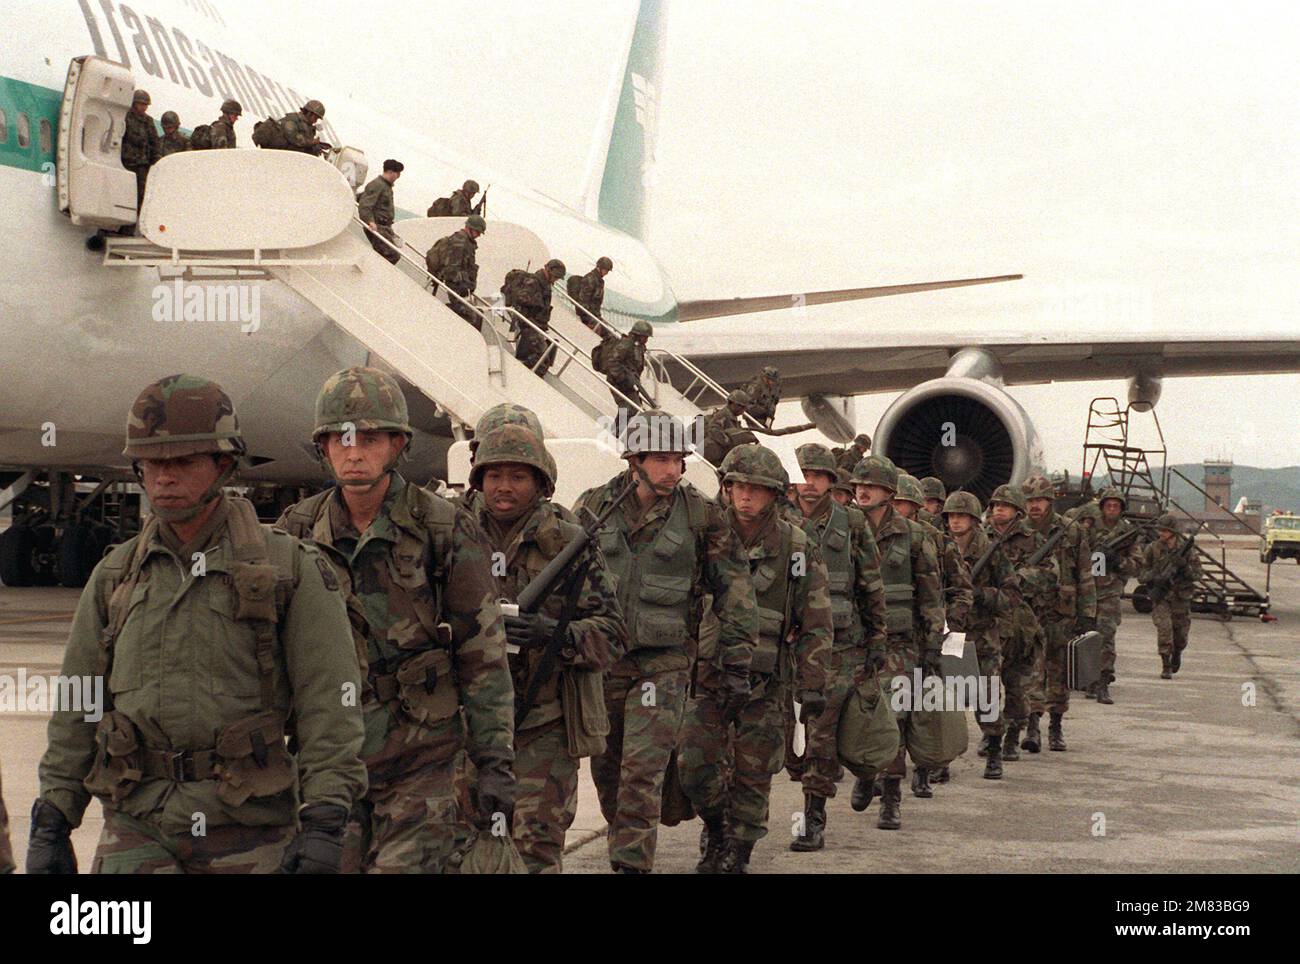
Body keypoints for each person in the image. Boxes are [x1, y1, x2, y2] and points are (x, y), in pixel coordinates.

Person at [29, 375, 365, 874]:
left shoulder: (289, 569)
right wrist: (53, 816)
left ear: (223, 465)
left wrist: (324, 819)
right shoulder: (116, 574)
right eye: (152, 464)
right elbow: (80, 700)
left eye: (182, 462)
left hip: (246, 825)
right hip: (137, 820)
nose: (164, 477)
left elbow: (328, 701)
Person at [276, 367, 516, 873]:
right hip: (328, 764)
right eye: (340, 440)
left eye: (370, 438)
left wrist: (494, 762)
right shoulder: (295, 532)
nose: (354, 451)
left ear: (398, 445)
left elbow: (482, 655)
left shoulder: (444, 529)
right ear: (323, 448)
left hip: (421, 758)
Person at [574, 409, 758, 873]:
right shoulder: (594, 508)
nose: (673, 469)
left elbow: (735, 593)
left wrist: (735, 664)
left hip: (665, 665)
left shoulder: (702, 516)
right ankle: (626, 848)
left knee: (642, 773)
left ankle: (631, 866)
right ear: (633, 459)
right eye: (660, 459)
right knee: (608, 772)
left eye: (678, 459)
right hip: (605, 661)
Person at [469, 424, 625, 872]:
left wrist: (553, 634)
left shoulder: (569, 541)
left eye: (517, 476)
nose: (503, 487)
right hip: (468, 723)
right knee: (463, 848)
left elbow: (613, 634)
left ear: (540, 484)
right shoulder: (453, 534)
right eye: (494, 475)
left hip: (543, 724)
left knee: (535, 849)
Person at [679, 444, 831, 873]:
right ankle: (716, 826)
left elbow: (816, 618)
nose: (745, 496)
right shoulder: (702, 536)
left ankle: (738, 852)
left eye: (756, 489)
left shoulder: (796, 547)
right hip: (707, 676)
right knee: (694, 766)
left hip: (765, 682)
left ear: (774, 493)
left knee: (753, 774)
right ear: (725, 488)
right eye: (737, 486)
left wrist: (813, 681)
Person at [790, 444, 887, 850]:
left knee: (821, 734)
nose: (810, 483)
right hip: (787, 644)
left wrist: (878, 638)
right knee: (786, 741)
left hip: (840, 646)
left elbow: (871, 582)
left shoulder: (851, 523)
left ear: (832, 481)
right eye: (803, 474)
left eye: (818, 475)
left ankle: (813, 819)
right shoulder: (779, 519)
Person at [848, 456, 944, 829]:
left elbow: (931, 595)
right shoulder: (846, 530)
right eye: (858, 485)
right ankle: (865, 772)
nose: (862, 490)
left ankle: (891, 796)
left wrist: (934, 643)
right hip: (853, 641)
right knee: (855, 714)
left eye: (870, 485)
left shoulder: (915, 536)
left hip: (900, 643)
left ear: (889, 492)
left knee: (895, 716)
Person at [890, 474, 971, 796]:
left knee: (927, 709)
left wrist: (949, 627)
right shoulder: (871, 538)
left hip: (931, 635)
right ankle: (888, 778)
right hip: (892, 640)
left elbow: (962, 589)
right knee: (894, 709)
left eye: (903, 504)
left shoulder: (937, 541)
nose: (897, 509)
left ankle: (925, 769)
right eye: (893, 502)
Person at [943, 491, 1019, 779]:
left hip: (982, 636)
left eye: (961, 515)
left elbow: (1011, 595)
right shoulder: (940, 547)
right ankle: (942, 760)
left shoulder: (992, 550)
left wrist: (979, 595)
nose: (956, 521)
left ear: (974, 520)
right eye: (951, 515)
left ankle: (995, 751)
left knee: (985, 697)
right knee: (945, 700)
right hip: (951, 634)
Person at [1022, 474, 1096, 751]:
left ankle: (1055, 725)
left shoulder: (1071, 531)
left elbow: (1085, 574)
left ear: (1050, 501)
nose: (1034, 506)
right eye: (1030, 500)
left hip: (1062, 615)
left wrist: (1087, 612)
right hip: (1029, 614)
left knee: (1059, 672)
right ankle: (1032, 726)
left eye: (1039, 500)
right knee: (1031, 672)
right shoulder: (1019, 531)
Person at [985, 484, 1057, 761]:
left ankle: (1013, 735)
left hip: (1022, 624)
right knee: (987, 684)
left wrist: (1020, 579)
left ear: (1017, 511)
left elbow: (1051, 574)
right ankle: (991, 735)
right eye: (994, 505)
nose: (997, 510)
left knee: (1016, 685)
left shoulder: (1032, 540)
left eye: (1004, 505)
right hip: (990, 622)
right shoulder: (981, 537)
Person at [1091, 487, 1144, 704]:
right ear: (1102, 507)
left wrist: (1117, 561)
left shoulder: (1127, 533)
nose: (1112, 508)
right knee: (1084, 635)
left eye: (1116, 505)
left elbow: (1137, 567)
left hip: (1109, 591)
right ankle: (1086, 678)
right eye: (1108, 505)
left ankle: (1103, 681)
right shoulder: (1089, 528)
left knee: (1105, 635)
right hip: (1086, 590)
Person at [1139, 514, 1203, 679]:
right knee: (1164, 629)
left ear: (1173, 531)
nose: (1161, 533)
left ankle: (1177, 652)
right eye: (1160, 530)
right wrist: (1155, 576)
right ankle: (1166, 664)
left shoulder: (1186, 550)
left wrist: (1185, 568)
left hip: (1181, 597)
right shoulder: (1153, 549)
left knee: (1180, 635)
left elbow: (1198, 574)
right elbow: (1141, 573)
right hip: (1161, 597)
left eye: (1165, 530)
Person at [503, 259, 566, 376]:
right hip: (528, 325)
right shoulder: (534, 282)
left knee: (545, 356)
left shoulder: (544, 284)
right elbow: (522, 302)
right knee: (541, 360)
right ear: (550, 271)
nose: (556, 280)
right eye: (556, 276)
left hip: (535, 326)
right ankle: (520, 376)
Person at [426, 215, 487, 328]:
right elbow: (452, 269)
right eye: (477, 232)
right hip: (456, 286)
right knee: (471, 316)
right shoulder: (459, 242)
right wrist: (464, 285)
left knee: (475, 314)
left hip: (460, 287)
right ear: (470, 228)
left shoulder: (465, 241)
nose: (478, 235)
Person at [604, 320, 653, 431]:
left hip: (629, 382)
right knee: (627, 407)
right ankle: (616, 433)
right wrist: (622, 378)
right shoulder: (625, 345)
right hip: (618, 382)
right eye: (645, 336)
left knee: (634, 407)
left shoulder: (638, 346)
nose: (646, 339)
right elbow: (612, 362)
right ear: (638, 335)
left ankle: (620, 432)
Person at [357, 159, 405, 264]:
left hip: (385, 227)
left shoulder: (386, 187)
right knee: (392, 255)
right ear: (390, 172)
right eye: (397, 174)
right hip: (377, 226)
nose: (398, 177)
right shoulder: (377, 185)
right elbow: (365, 205)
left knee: (392, 252)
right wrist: (370, 222)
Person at [121, 89, 161, 211]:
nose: (144, 107)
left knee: (139, 196)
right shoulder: (125, 117)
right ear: (134, 103)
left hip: (142, 166)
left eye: (146, 105)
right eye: (141, 104)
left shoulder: (148, 121)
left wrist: (155, 163)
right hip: (126, 163)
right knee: (123, 193)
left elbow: (155, 143)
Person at [701, 389, 754, 465]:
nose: (743, 410)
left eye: (744, 407)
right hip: (712, 454)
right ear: (731, 403)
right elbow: (713, 429)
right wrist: (728, 441)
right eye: (741, 407)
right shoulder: (723, 415)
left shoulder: (732, 418)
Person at [573, 256, 614, 330]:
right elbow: (583, 302)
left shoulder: (599, 281)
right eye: (606, 270)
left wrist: (598, 317)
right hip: (587, 316)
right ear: (600, 268)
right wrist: (589, 320)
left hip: (594, 315)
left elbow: (596, 303)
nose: (607, 273)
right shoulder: (590, 279)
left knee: (609, 333)